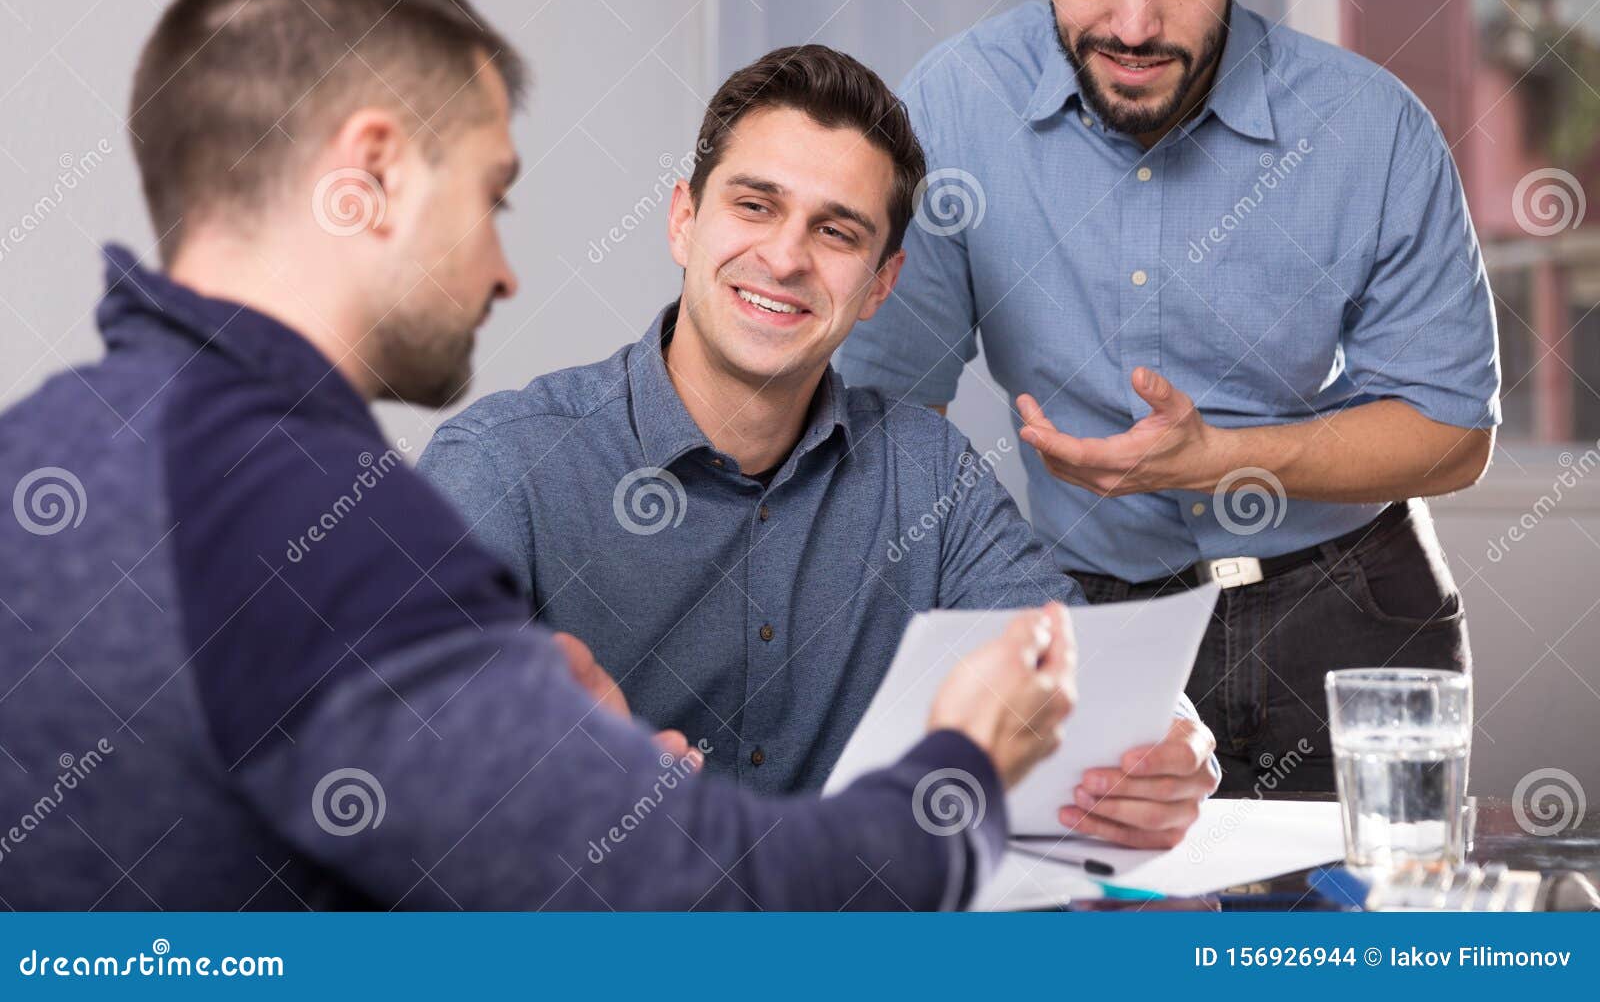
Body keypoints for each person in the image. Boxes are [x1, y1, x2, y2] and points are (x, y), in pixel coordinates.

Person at [0, 0, 1077, 911]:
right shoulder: (309, 514)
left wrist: (547, 759)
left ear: (883, 277)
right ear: (370, 172)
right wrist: (966, 762)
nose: (506, 271)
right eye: (493, 196)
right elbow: (701, 909)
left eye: (836, 231)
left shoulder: (50, 445)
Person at [837, 0, 1500, 794]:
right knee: (1110, 944)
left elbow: (1451, 433)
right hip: (1091, 617)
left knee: (1375, 934)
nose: (1134, 24)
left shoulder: (1371, 129)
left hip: (1346, 605)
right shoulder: (954, 105)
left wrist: (1213, 458)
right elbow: (887, 408)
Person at [420, 44, 1219, 849]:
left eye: (836, 231)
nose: (786, 257)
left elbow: (1080, 675)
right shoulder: (503, 466)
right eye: (756, 205)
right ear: (683, 220)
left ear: (881, 282)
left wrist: (1172, 741)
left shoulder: (930, 473)